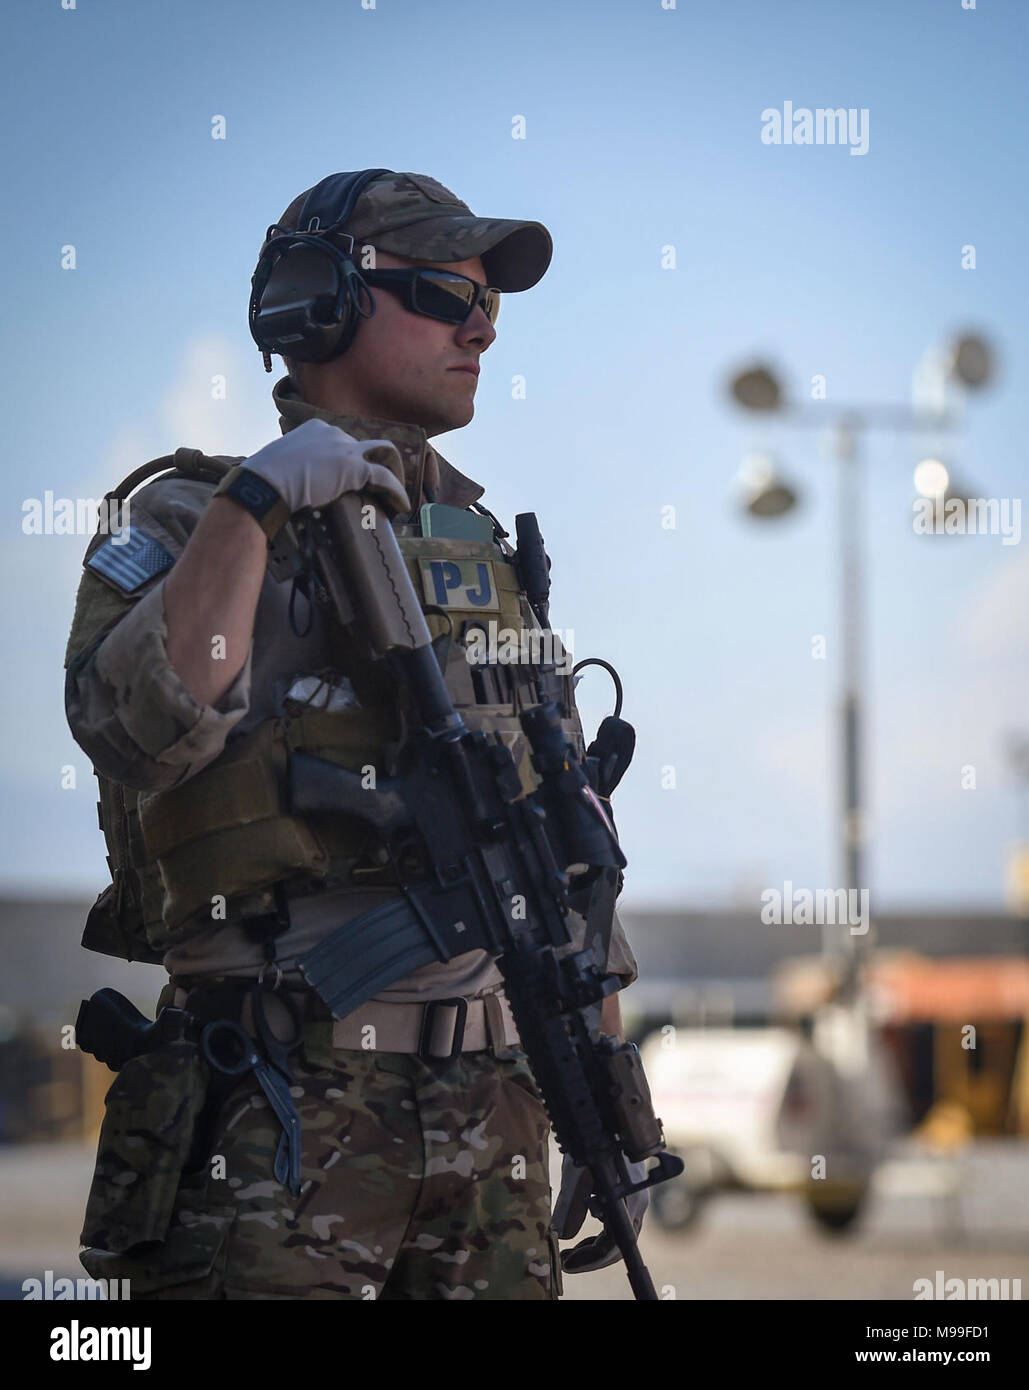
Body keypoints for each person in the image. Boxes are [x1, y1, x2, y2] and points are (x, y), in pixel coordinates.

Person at [64, 169, 643, 1300]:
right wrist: (257, 505)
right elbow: (141, 729)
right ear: (315, 301)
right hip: (283, 1099)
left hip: (493, 1109)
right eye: (439, 291)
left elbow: (568, 835)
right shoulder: (190, 518)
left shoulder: (483, 553)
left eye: (488, 302)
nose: (479, 324)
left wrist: (608, 1101)